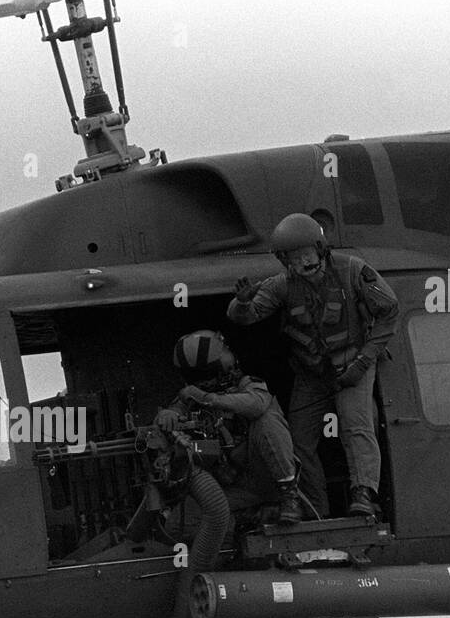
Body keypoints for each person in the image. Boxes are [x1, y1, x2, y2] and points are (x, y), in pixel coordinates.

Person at [226, 213, 399, 518]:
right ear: (285, 261)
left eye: (306, 253)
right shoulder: (282, 286)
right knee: (298, 440)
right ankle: (315, 507)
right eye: (294, 257)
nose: (303, 262)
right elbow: (246, 315)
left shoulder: (353, 271)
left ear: (319, 249)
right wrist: (241, 301)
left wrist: (363, 361)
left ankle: (363, 493)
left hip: (353, 365)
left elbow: (388, 310)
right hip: (312, 375)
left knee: (355, 424)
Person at [154, 329, 302, 525]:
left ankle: (289, 496)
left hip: (266, 475)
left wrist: (208, 399)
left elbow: (257, 403)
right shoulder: (188, 398)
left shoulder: (246, 385)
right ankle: (255, 517)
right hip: (234, 484)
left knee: (266, 419)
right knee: (178, 523)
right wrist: (167, 415)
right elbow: (172, 412)